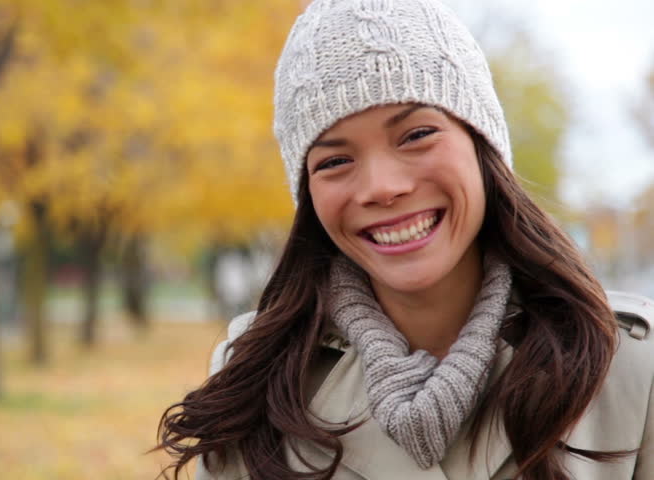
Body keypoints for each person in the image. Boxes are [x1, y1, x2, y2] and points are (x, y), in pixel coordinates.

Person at [156, 0, 654, 478]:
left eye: (416, 135)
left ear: (482, 144)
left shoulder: (631, 368)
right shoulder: (255, 383)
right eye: (335, 161)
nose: (381, 187)